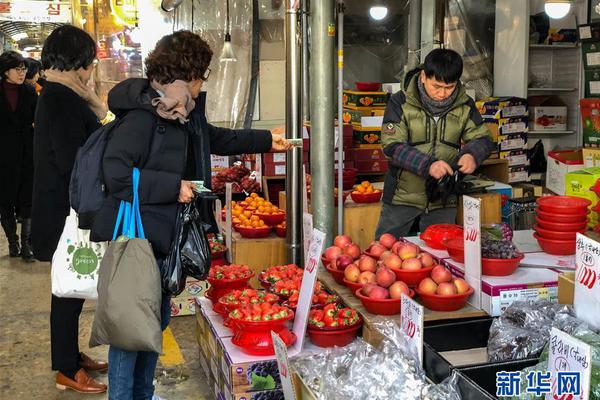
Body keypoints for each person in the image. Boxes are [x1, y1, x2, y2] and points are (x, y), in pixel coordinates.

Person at [89, 30, 291, 400]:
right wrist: (172, 186)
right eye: (202, 75)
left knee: (154, 324)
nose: (202, 84)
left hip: (166, 238)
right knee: (129, 333)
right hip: (137, 239)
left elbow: (216, 139)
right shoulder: (142, 116)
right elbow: (115, 174)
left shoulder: (185, 113)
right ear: (189, 75)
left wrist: (266, 140)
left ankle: (142, 395)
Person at [31, 25, 108, 394]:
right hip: (64, 210)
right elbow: (71, 159)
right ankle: (64, 367)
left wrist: (94, 103)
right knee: (67, 289)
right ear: (76, 61)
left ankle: (70, 357)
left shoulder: (62, 92)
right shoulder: (60, 97)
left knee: (72, 286)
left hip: (65, 206)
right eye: (89, 63)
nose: (91, 70)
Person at [375, 49, 495, 238]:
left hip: (443, 197)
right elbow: (392, 146)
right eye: (436, 86)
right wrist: (428, 165)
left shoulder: (465, 105)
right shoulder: (401, 102)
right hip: (402, 197)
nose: (442, 94)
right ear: (423, 76)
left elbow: (484, 139)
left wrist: (472, 154)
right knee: (386, 251)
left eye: (449, 87)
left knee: (440, 255)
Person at [0, 51, 37, 261]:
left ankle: (26, 245)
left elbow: (37, 118)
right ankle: (12, 242)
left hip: (26, 151)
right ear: (6, 71)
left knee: (27, 197)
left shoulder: (30, 92)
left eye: (24, 69)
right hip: (3, 153)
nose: (22, 73)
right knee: (5, 199)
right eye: (18, 68)